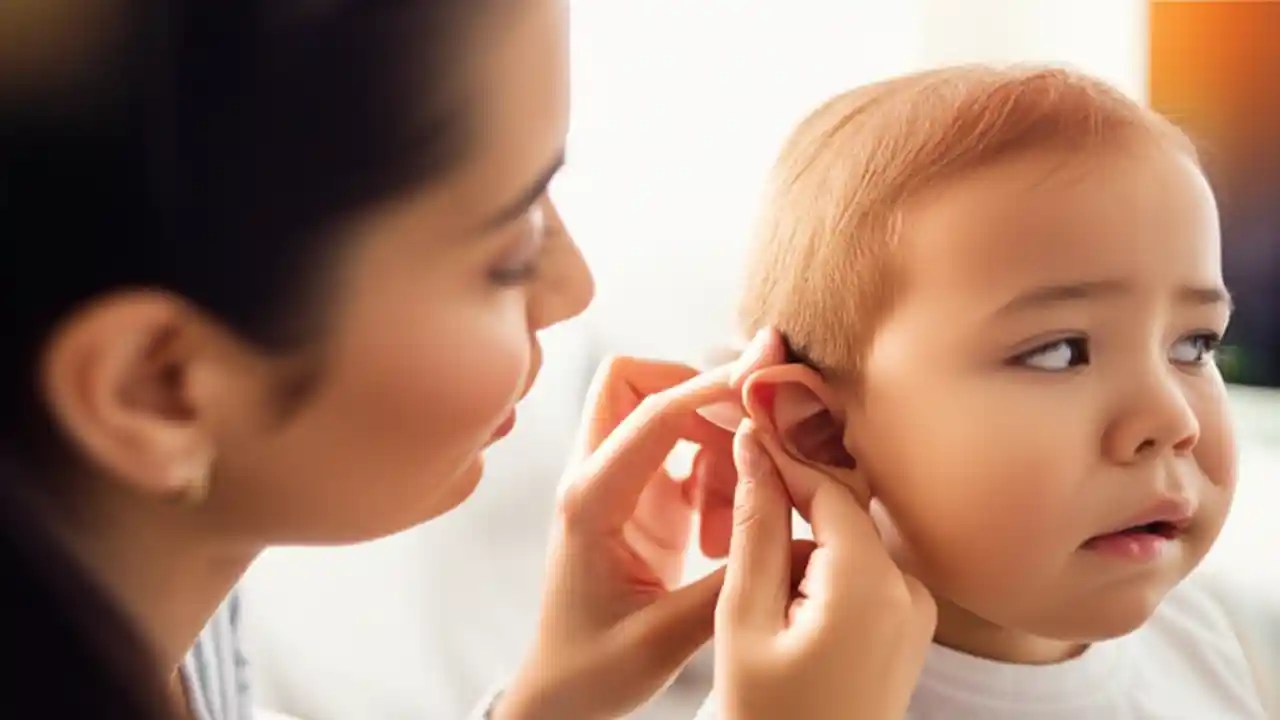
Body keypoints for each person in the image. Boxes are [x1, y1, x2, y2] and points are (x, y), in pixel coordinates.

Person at [0, 1, 935, 718]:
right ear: (160, 390)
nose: (572, 289)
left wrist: (552, 701)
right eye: (511, 251)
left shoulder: (168, 609)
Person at [695, 65, 1279, 719]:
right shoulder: (793, 707)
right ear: (824, 434)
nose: (1172, 419)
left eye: (1194, 345)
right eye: (1061, 353)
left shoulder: (1198, 635)